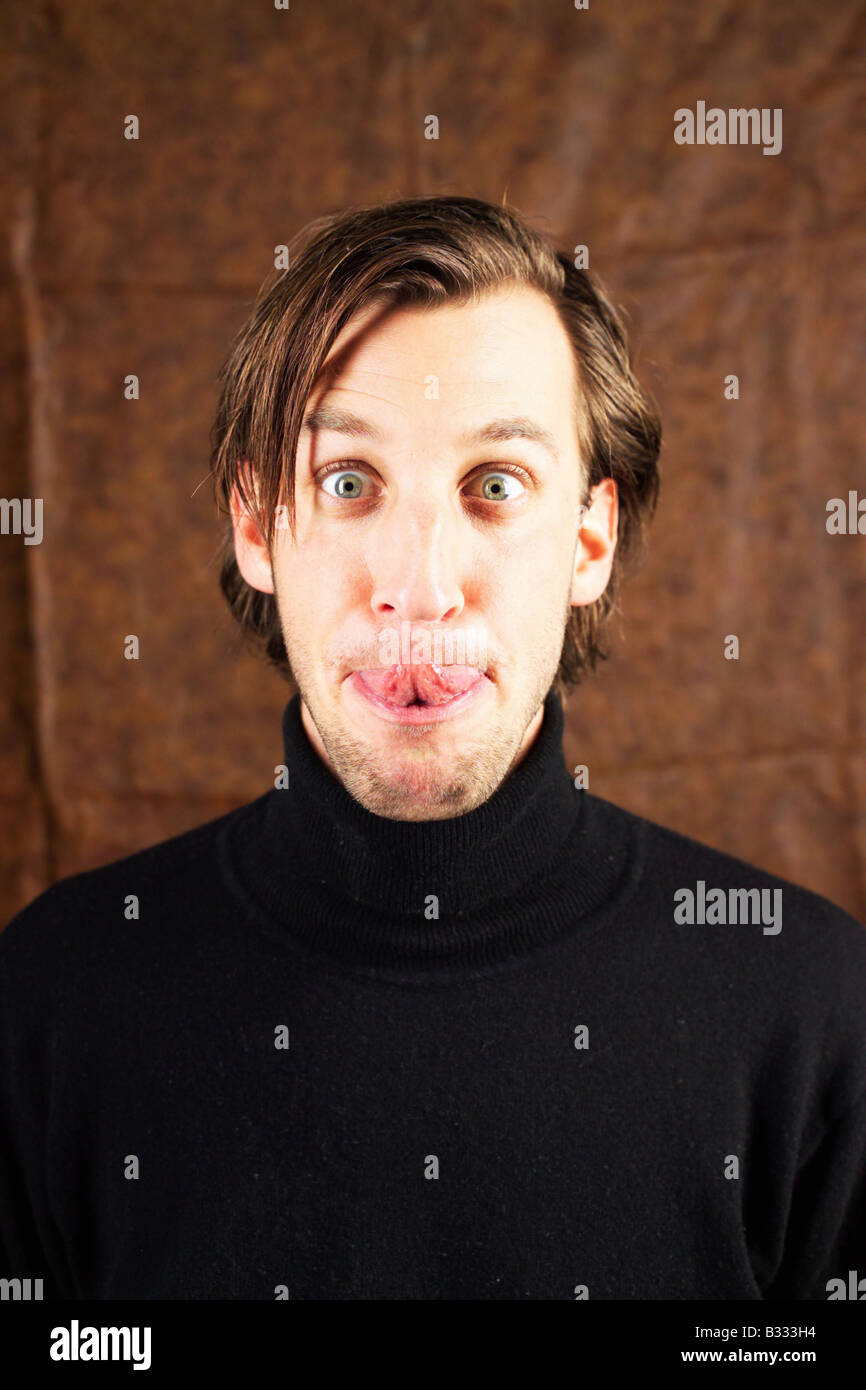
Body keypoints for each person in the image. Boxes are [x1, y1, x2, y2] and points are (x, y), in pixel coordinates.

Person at [1, 195, 864, 1301]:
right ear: (257, 526)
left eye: (493, 486)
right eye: (348, 482)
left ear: (588, 538)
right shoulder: (51, 1002)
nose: (418, 587)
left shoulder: (815, 1012)